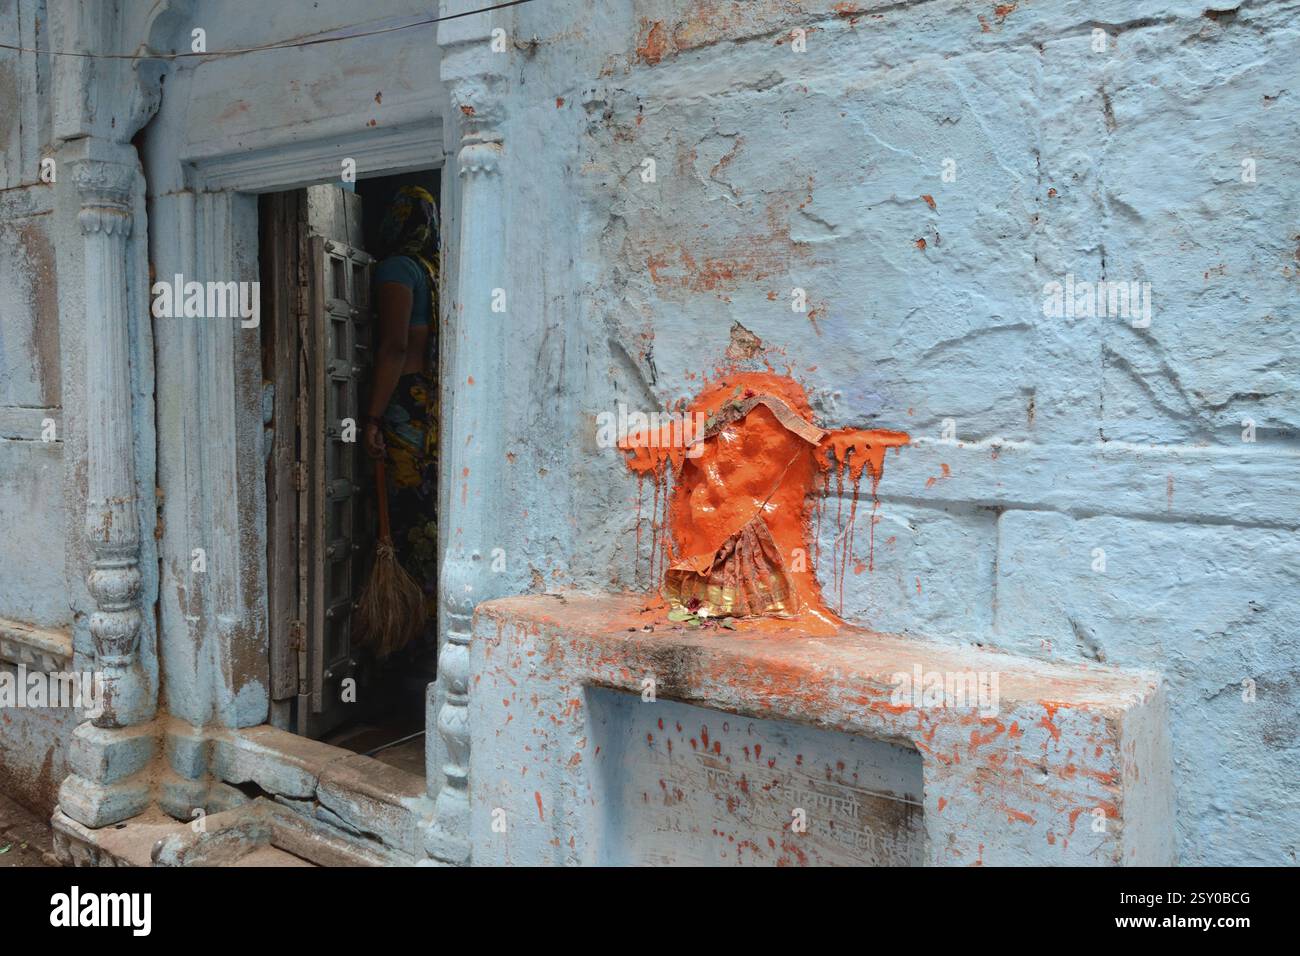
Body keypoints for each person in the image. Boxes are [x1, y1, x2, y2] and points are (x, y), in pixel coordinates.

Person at [363, 185, 440, 649]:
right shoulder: (435, 272)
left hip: (401, 411)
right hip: (429, 409)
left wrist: (371, 417)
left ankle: (400, 636)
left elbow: (394, 347)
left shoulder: (400, 269)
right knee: (424, 522)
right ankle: (423, 635)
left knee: (398, 522)